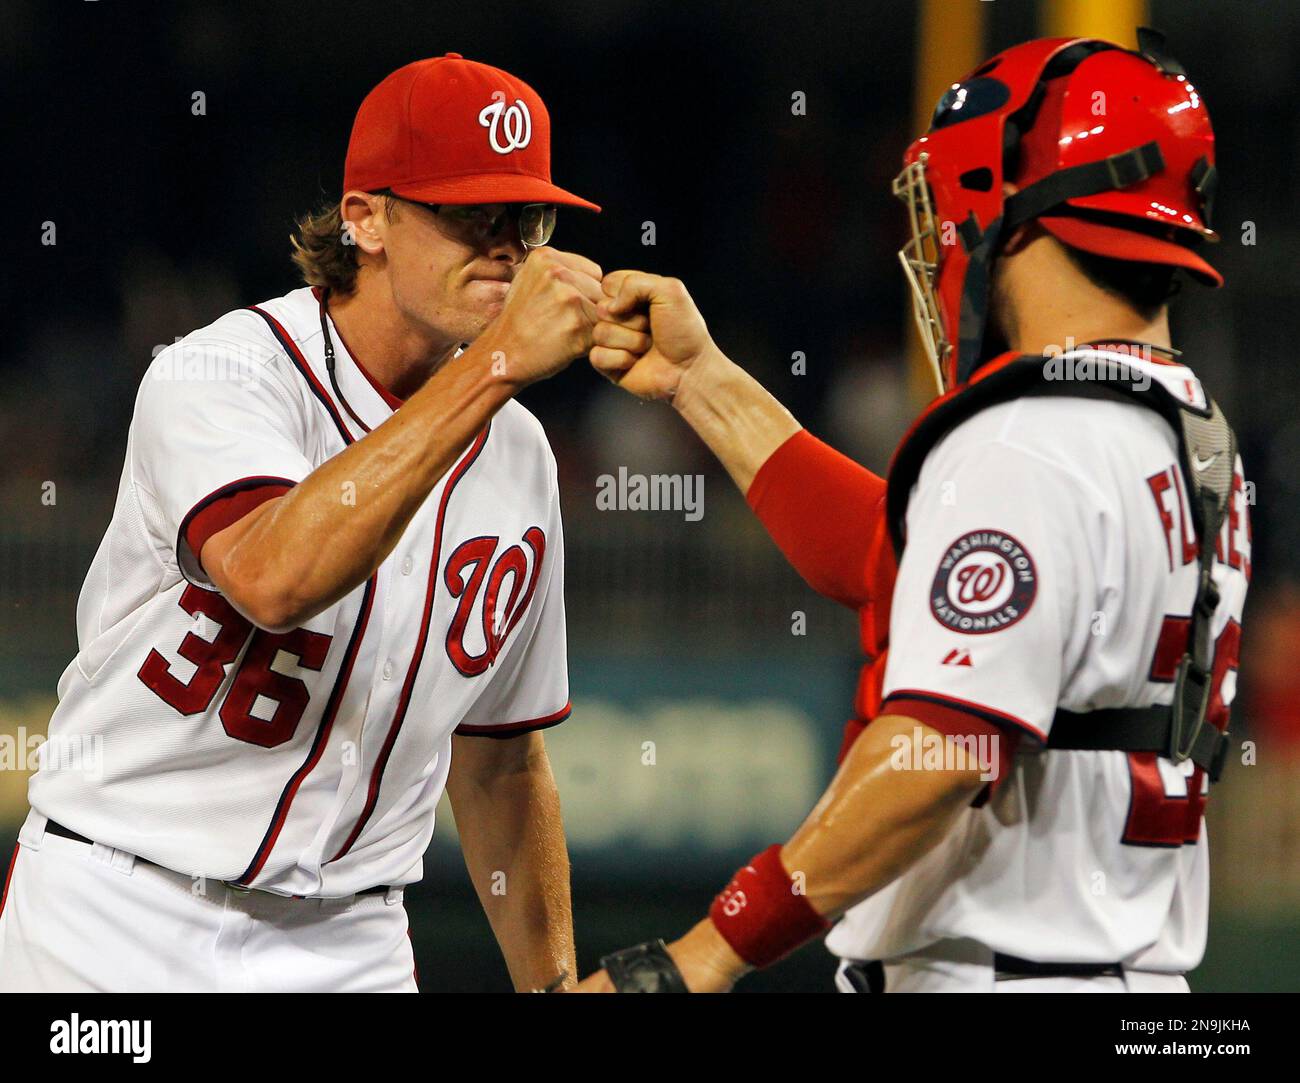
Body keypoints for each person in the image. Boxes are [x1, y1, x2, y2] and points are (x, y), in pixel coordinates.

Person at [577, 31, 1250, 993]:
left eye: (950, 200)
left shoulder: (1027, 436)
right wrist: (701, 381)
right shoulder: (1181, 426)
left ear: (1011, 202)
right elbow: (895, 561)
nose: (938, 232)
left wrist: (699, 958)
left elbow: (940, 753)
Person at [0, 53, 603, 993]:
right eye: (465, 214)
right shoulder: (225, 372)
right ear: (364, 218)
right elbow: (274, 575)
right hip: (118, 913)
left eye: (523, 220)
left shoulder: (518, 453)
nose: (504, 250)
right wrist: (495, 372)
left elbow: (501, 761)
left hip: (349, 944)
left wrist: (555, 986)